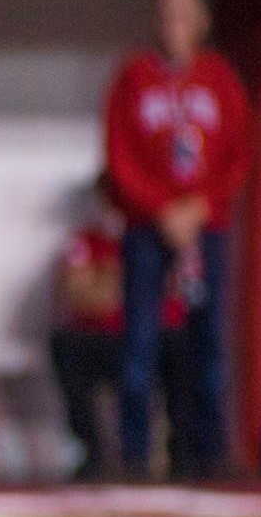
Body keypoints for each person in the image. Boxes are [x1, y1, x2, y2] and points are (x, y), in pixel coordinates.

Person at [102, 0, 250, 481]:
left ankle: (210, 453)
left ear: (203, 22)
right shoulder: (134, 77)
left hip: (205, 228)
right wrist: (161, 208)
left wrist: (200, 207)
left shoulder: (220, 79)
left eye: (185, 14)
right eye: (166, 14)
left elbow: (238, 156)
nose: (174, 25)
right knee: (139, 337)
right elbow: (118, 155)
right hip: (149, 226)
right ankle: (136, 456)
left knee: (209, 339)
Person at [50, 182, 189, 482]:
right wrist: (133, 283)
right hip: (102, 342)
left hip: (155, 340)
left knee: (185, 347)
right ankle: (98, 453)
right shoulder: (87, 240)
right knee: (64, 346)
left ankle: (183, 453)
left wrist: (108, 279)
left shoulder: (156, 241)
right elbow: (79, 296)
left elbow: (177, 298)